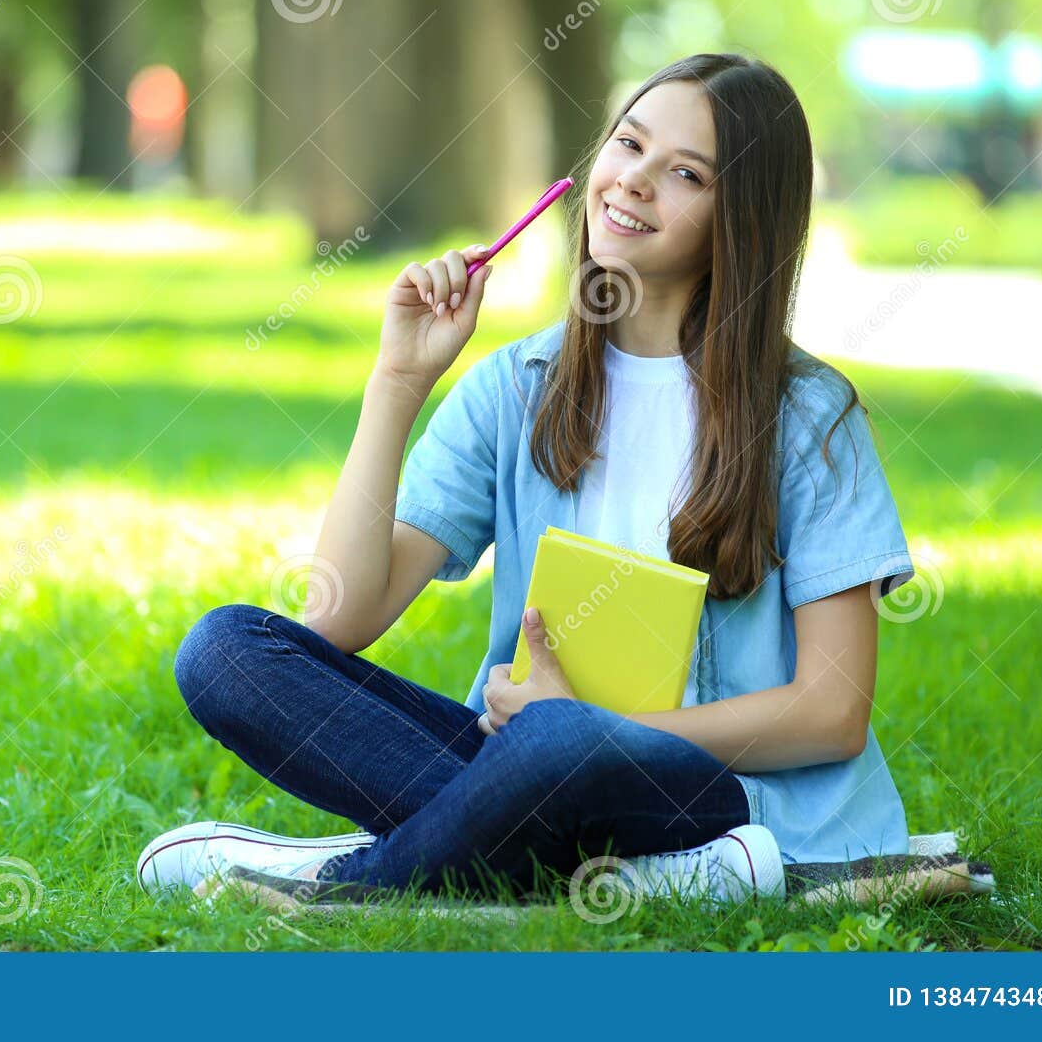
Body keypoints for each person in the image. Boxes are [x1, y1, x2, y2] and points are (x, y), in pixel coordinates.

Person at [140, 52, 917, 910]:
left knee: (556, 743)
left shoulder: (809, 418)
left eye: (686, 172)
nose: (634, 181)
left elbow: (831, 712)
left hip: (708, 795)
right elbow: (336, 618)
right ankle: (528, 858)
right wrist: (396, 383)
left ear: (742, 218)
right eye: (628, 144)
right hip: (521, 759)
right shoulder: (515, 388)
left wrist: (595, 730)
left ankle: (342, 882)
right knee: (227, 651)